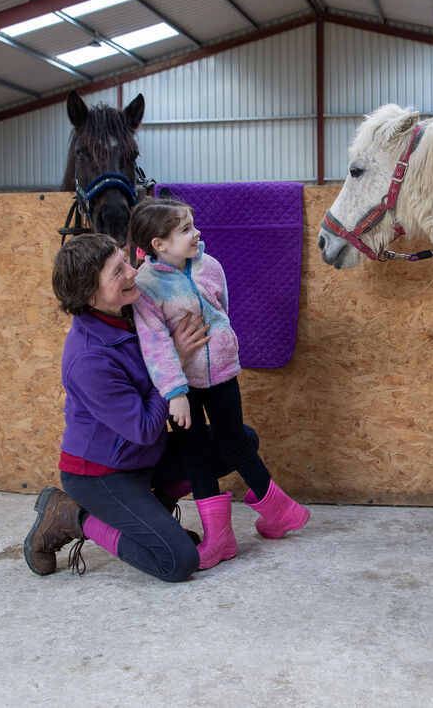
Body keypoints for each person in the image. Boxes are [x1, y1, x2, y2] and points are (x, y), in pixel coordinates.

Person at [23, 233, 255, 581]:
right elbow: (146, 428)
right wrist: (173, 363)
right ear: (90, 296)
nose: (133, 272)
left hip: (144, 458)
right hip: (101, 473)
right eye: (118, 271)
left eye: (127, 261)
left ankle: (152, 512)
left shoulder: (134, 310)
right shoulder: (88, 359)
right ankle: (73, 517)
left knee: (239, 442)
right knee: (177, 561)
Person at [129, 197, 309, 569]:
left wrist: (223, 347)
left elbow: (221, 309)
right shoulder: (146, 287)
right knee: (196, 455)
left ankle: (280, 513)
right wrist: (175, 391)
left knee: (236, 444)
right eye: (185, 230)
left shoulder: (210, 265)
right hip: (185, 385)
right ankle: (223, 537)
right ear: (159, 244)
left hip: (223, 372)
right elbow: (155, 344)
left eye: (193, 225)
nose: (197, 233)